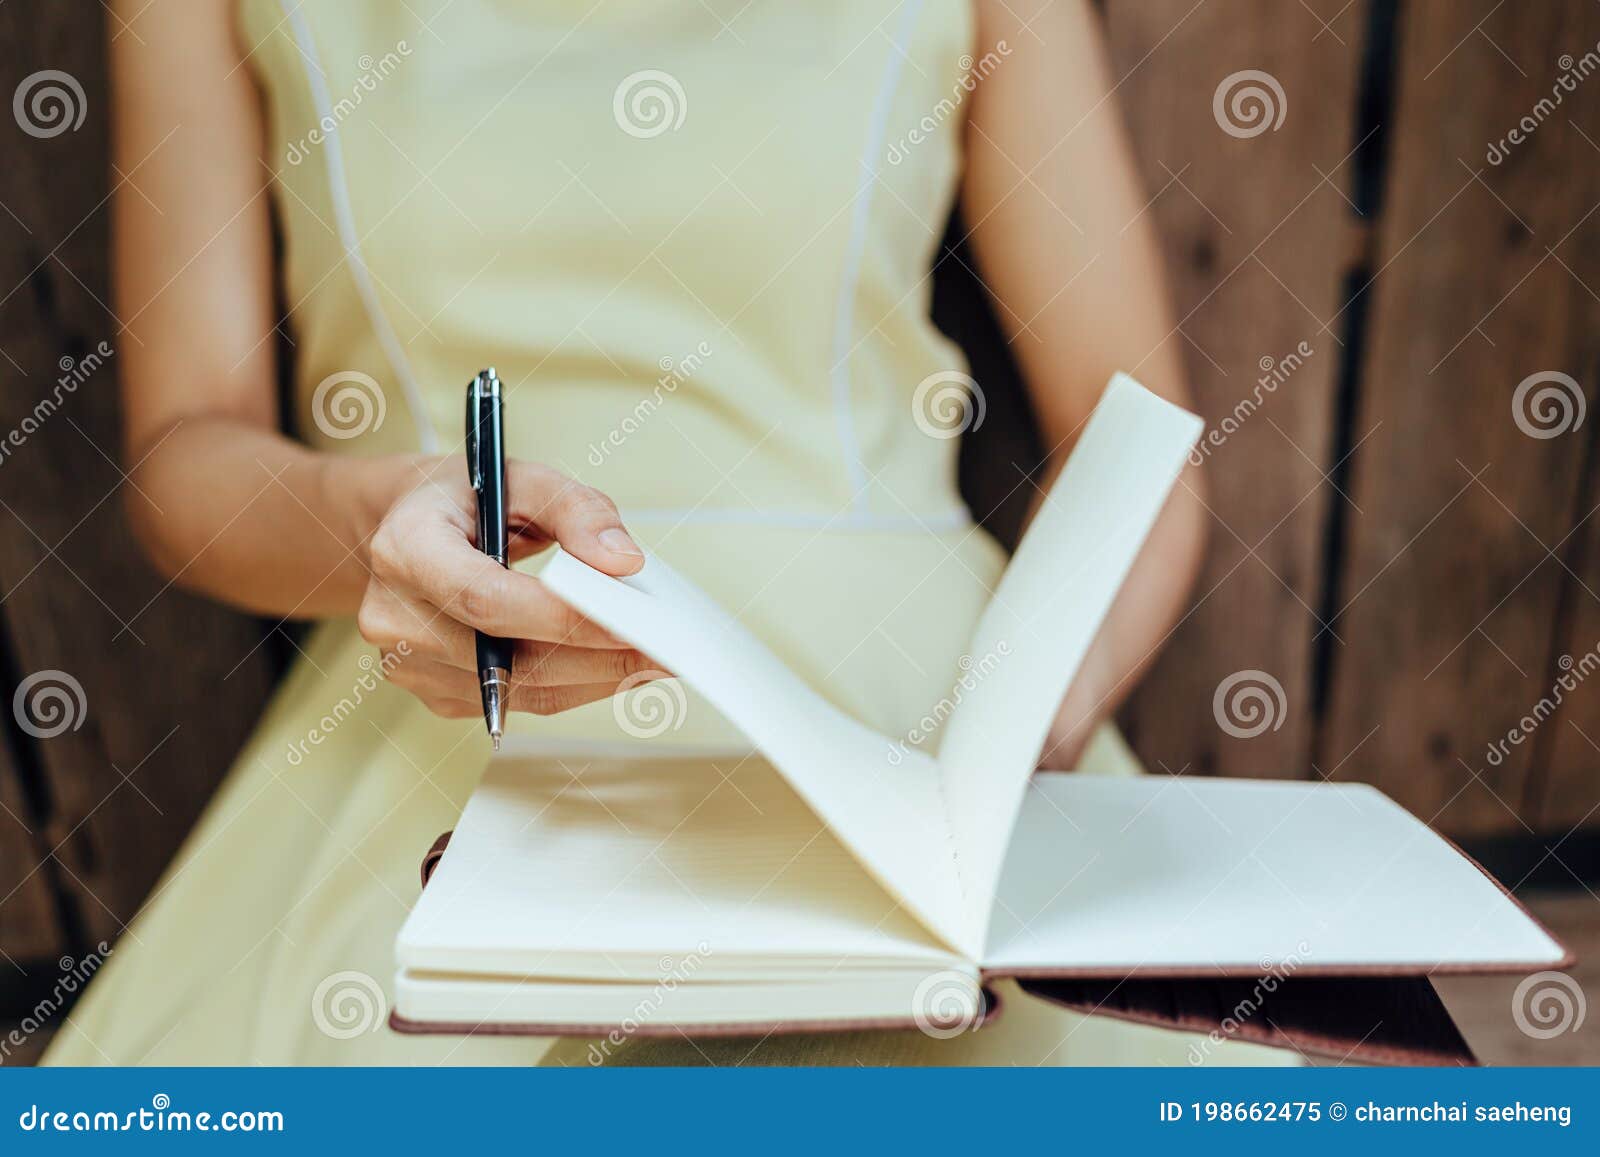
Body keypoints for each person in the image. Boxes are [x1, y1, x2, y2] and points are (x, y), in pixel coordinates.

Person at [47, 0, 1280, 1066]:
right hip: (450, 732)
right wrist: (377, 519)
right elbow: (187, 452)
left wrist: (1024, 731)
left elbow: (1134, 439)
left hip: (927, 721)